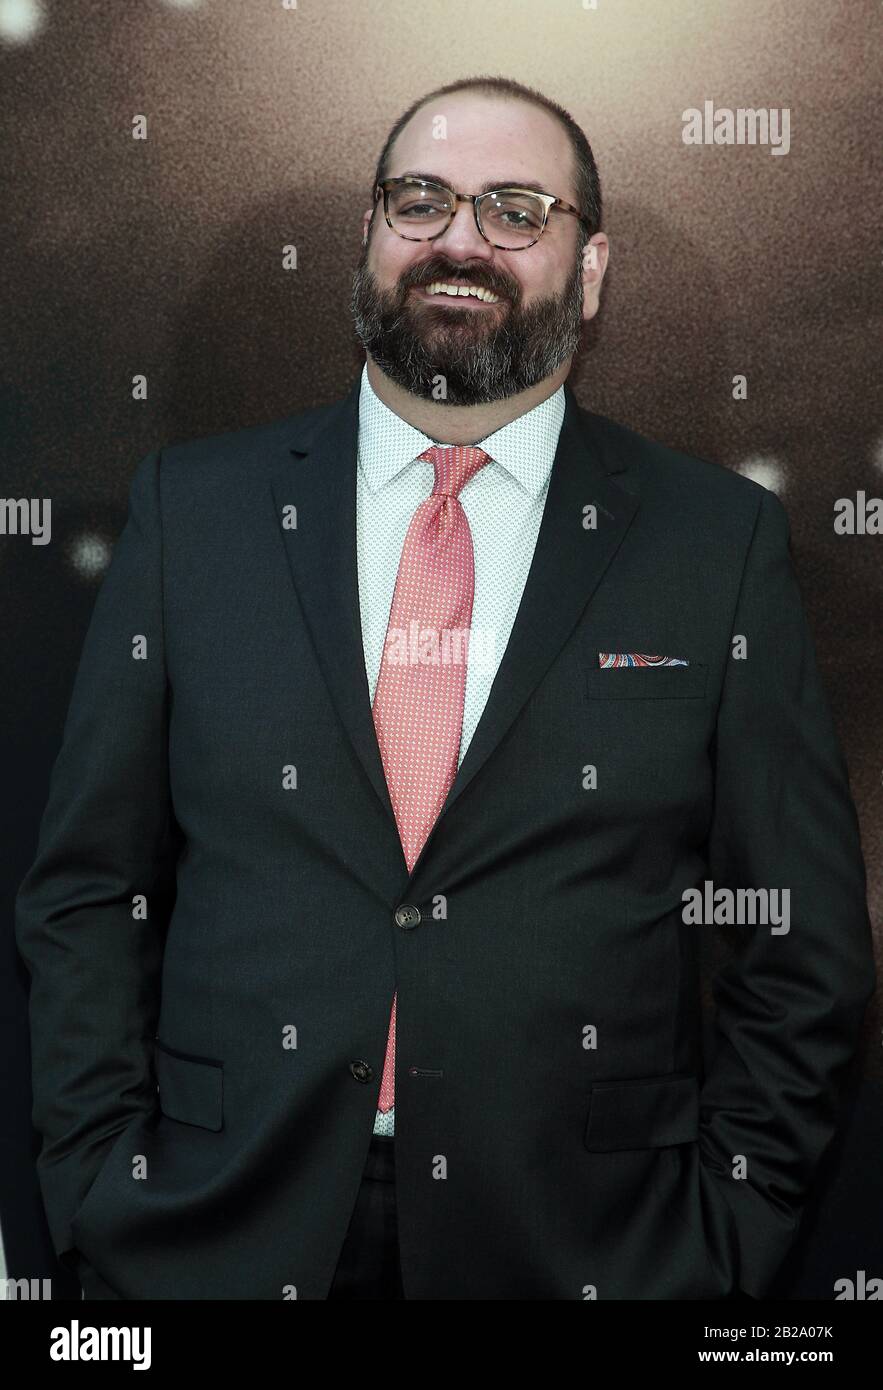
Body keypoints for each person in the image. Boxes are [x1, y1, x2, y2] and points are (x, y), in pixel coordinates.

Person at [15, 75, 875, 1301]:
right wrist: (99, 1180)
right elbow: (90, 888)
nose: (459, 238)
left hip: (586, 1251)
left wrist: (725, 1232)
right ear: (367, 240)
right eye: (419, 200)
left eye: (517, 209)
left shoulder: (712, 545)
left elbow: (800, 938)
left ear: (589, 272)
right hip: (211, 1238)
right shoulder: (192, 512)